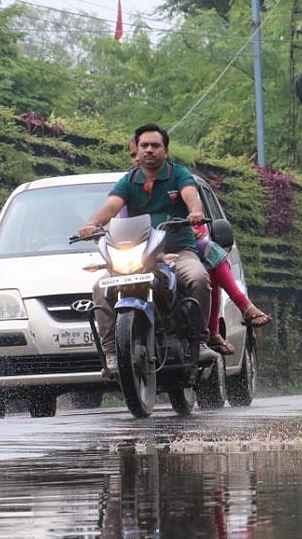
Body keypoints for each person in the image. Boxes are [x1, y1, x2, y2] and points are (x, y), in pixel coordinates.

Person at [78, 123, 211, 378]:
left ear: (165, 150)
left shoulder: (178, 174)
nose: (149, 150)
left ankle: (200, 340)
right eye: (144, 146)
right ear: (137, 151)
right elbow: (111, 206)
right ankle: (111, 352)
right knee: (100, 287)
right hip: (140, 256)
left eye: (155, 145)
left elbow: (191, 195)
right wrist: (92, 224)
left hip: (177, 251)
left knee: (197, 277)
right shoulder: (129, 181)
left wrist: (195, 212)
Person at [192, 223, 272, 356]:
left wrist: (189, 230)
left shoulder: (187, 205)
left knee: (210, 259)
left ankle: (212, 331)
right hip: (153, 250)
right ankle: (244, 306)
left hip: (184, 248)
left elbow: (198, 222)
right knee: (210, 251)